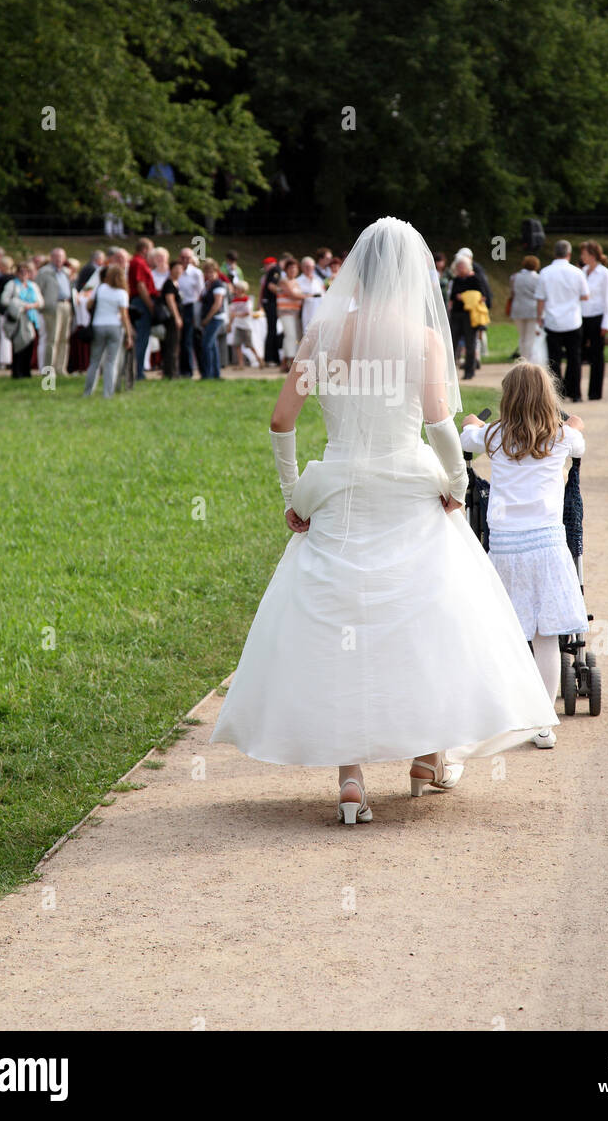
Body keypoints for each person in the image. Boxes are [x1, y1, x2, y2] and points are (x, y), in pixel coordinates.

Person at [210, 217, 557, 823]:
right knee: (425, 617)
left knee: (343, 624)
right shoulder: (420, 339)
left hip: (340, 491)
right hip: (406, 487)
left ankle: (350, 778)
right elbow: (440, 425)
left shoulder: (321, 335)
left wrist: (294, 495)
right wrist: (456, 486)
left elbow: (280, 421)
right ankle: (427, 754)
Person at [461, 362, 587, 749]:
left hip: (505, 545)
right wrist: (576, 421)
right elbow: (579, 439)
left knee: (511, 634)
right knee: (546, 636)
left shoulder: (495, 436)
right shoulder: (562, 437)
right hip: (547, 543)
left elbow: (467, 438)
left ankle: (505, 711)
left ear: (507, 398)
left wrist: (470, 422)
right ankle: (543, 721)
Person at [536, 240, 588, 401]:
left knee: (554, 360)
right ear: (569, 254)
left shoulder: (545, 272)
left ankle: (557, 394)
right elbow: (585, 295)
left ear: (554, 253)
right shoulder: (577, 272)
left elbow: (540, 299)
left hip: (552, 321)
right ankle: (576, 393)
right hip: (573, 320)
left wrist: (539, 317)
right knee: (574, 358)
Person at [83, 264, 132, 398]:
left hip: (98, 325)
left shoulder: (100, 288)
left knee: (94, 361)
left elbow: (88, 305)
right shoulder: (122, 293)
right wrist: (129, 335)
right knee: (111, 362)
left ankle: (88, 392)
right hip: (114, 326)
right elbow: (124, 316)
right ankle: (107, 393)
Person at [579, 240, 608, 400]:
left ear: (592, 255)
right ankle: (575, 389)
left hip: (597, 316)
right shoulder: (582, 271)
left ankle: (595, 391)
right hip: (581, 316)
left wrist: (606, 322)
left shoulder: (604, 273)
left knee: (597, 354)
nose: (582, 257)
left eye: (584, 254)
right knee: (579, 353)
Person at [0, 262, 43, 378]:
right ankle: (17, 372)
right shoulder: (12, 285)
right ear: (17, 273)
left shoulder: (33, 286)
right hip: (18, 319)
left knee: (29, 344)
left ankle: (26, 371)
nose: (24, 274)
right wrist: (18, 305)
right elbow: (4, 300)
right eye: (21, 272)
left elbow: (40, 302)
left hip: (30, 317)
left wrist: (31, 306)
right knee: (18, 345)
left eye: (26, 272)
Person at [35, 247, 73, 374]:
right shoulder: (44, 272)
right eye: (56, 257)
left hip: (66, 305)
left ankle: (61, 368)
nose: (59, 259)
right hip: (52, 307)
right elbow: (37, 290)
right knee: (52, 339)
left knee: (64, 339)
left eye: (61, 257)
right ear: (51, 258)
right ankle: (48, 369)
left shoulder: (66, 272)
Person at [448, 255, 483, 380]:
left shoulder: (474, 279)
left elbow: (481, 296)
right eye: (458, 267)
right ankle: (450, 371)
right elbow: (452, 297)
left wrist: (465, 297)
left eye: (462, 266)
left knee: (470, 344)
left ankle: (469, 371)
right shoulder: (456, 280)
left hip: (469, 315)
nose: (460, 269)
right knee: (453, 342)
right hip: (456, 315)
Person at [128, 237, 156, 381]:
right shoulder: (138, 262)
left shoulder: (138, 262)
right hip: (141, 302)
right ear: (145, 249)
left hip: (138, 300)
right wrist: (150, 304)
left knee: (141, 338)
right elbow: (141, 285)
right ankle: (137, 371)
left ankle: (136, 370)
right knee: (141, 338)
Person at [177, 248, 205, 378]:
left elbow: (200, 292)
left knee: (190, 339)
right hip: (179, 306)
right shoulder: (176, 272)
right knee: (182, 340)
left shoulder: (196, 273)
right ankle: (183, 369)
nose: (185, 260)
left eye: (187, 258)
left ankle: (191, 370)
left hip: (191, 306)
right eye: (182, 257)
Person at [199, 258, 227, 379]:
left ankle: (208, 373)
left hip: (215, 317)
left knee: (206, 344)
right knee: (213, 346)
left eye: (211, 272)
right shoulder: (207, 285)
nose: (209, 275)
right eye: (207, 272)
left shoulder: (218, 284)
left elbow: (217, 304)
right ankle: (216, 373)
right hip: (211, 317)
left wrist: (207, 318)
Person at [509, 256, 540, 361]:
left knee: (522, 337)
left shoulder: (514, 277)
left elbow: (512, 293)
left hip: (518, 308)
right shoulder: (538, 278)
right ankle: (529, 360)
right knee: (530, 338)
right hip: (532, 309)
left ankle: (523, 359)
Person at [276, 257, 305, 372]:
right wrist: (309, 296)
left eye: (294, 268)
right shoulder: (283, 281)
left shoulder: (297, 282)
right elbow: (292, 295)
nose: (293, 270)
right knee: (291, 336)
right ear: (286, 270)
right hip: (285, 312)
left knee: (291, 337)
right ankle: (292, 360)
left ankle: (283, 362)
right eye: (290, 268)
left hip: (296, 313)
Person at [228, 279, 264, 369]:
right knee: (237, 344)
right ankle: (241, 364)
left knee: (249, 345)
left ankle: (259, 359)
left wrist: (236, 315)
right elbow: (232, 314)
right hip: (237, 325)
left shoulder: (247, 300)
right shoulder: (234, 301)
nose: (235, 291)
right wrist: (230, 324)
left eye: (237, 289)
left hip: (246, 325)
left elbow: (247, 312)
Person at [160, 260, 183, 379]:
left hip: (174, 318)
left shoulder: (176, 283)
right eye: (177, 268)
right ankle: (171, 373)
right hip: (171, 319)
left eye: (180, 269)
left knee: (174, 345)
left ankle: (171, 371)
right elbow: (170, 300)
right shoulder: (169, 283)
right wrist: (177, 317)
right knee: (172, 346)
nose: (179, 271)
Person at [259, 256, 282, 366]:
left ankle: (272, 357)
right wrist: (284, 292)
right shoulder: (275, 271)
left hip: (268, 302)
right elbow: (271, 286)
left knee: (271, 330)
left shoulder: (270, 272)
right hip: (271, 303)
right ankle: (271, 358)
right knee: (272, 330)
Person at [297, 256, 324, 332]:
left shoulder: (318, 279)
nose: (309, 269)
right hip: (306, 311)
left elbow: (323, 294)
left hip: (319, 311)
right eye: (307, 267)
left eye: (312, 267)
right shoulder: (298, 281)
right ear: (302, 267)